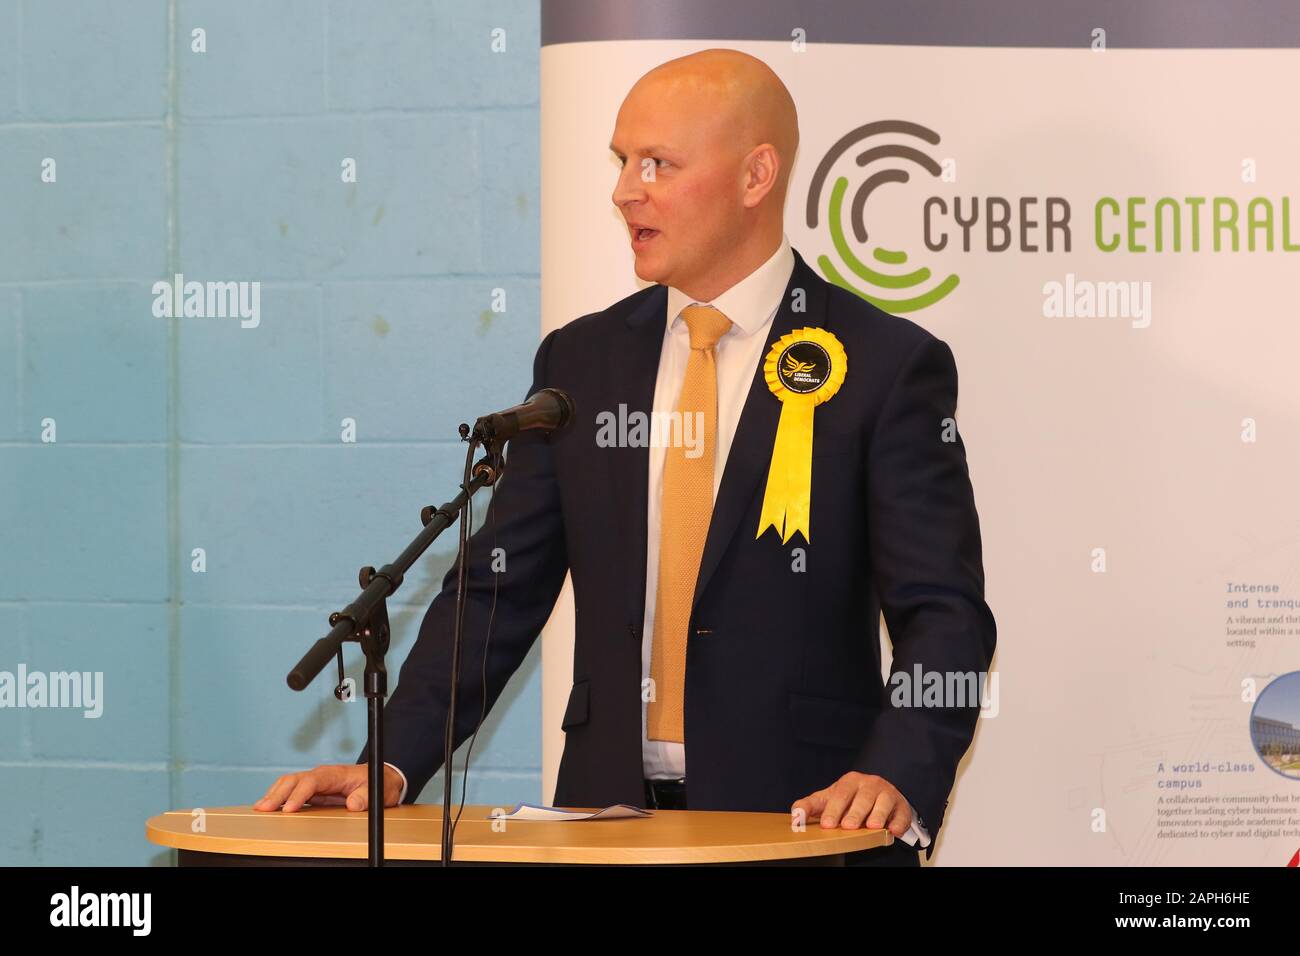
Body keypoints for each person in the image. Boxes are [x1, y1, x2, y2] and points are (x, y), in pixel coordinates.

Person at [255, 48, 996, 866]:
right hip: (607, 832)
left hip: (807, 831)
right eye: (621, 163)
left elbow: (944, 613)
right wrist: (389, 765)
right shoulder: (582, 362)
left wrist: (896, 772)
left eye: (657, 164)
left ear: (756, 176)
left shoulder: (884, 365)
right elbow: (498, 587)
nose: (623, 191)